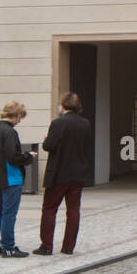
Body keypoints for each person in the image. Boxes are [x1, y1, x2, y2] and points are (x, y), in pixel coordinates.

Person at [34, 91, 92, 255]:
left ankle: (46, 246)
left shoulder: (58, 123)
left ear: (63, 105)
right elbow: (87, 147)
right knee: (73, 210)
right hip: (78, 173)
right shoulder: (85, 123)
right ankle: (68, 246)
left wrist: (46, 137)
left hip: (59, 173)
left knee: (49, 209)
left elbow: (48, 146)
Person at [0, 101, 34, 257]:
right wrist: (28, 157)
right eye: (21, 117)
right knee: (8, 213)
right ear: (17, 115)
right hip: (11, 178)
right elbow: (13, 157)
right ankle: (7, 246)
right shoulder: (10, 132)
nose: (20, 121)